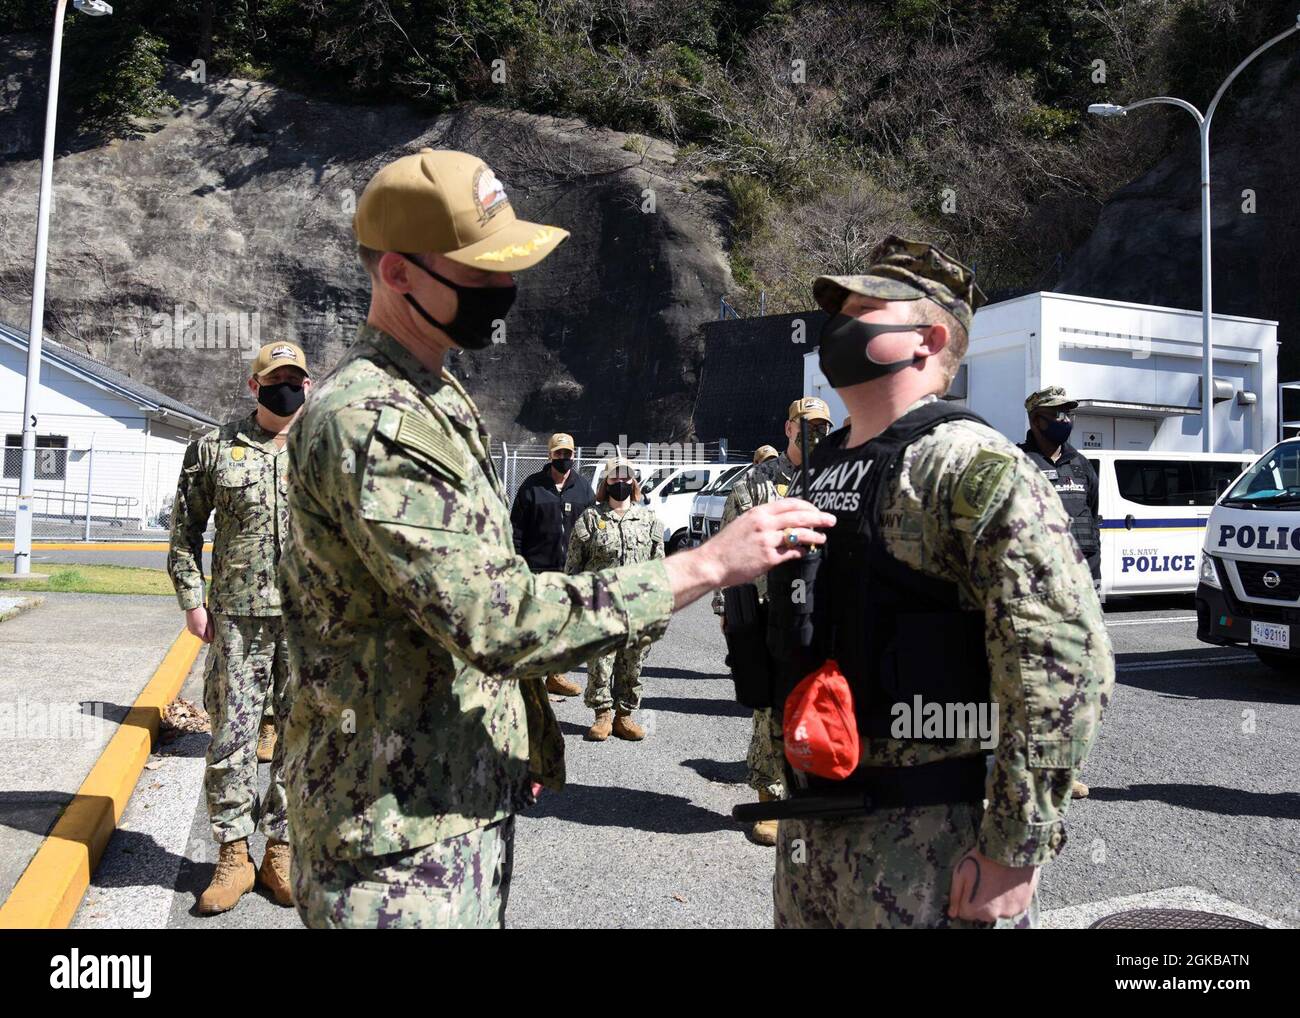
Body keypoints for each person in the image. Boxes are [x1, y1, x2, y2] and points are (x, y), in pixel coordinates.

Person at [277, 148, 834, 929]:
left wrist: (521, 737)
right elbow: (496, 620)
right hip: (392, 840)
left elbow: (450, 600)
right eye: (480, 272)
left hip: (443, 798)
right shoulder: (374, 421)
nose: (504, 289)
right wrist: (706, 564)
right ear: (398, 274)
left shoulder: (430, 388)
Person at [766, 235, 1113, 928]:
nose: (839, 330)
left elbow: (1065, 663)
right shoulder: (824, 463)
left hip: (927, 850)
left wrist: (1016, 850)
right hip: (816, 833)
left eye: (864, 313)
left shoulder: (969, 468)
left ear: (926, 339)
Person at [166, 341, 312, 914]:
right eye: (276, 378)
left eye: (296, 379)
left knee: (299, 740)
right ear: (255, 386)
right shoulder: (214, 448)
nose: (288, 387)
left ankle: (280, 850)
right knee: (232, 737)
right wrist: (191, 600)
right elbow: (184, 532)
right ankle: (232, 854)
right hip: (235, 619)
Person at [714, 397, 832, 846]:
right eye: (807, 425)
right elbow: (729, 549)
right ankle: (769, 795)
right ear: (788, 428)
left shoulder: (833, 480)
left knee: (819, 697)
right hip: (769, 611)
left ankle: (811, 787)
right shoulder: (757, 484)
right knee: (769, 705)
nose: (815, 433)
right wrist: (729, 611)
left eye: (822, 426)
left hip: (822, 609)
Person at [1017, 386, 1102, 800]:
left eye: (1070, 412)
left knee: (1076, 688)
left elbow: (1093, 525)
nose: (1066, 420)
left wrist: (1096, 584)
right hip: (1036, 596)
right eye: (1058, 413)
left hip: (1080, 595)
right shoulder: (1019, 464)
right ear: (1036, 419)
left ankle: (1065, 771)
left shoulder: (1081, 466)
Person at [565, 456, 665, 741]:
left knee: (632, 664)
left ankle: (625, 716)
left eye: (625, 479)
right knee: (600, 662)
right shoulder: (591, 518)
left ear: (632, 483)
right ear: (605, 483)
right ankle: (602, 715)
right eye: (614, 479)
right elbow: (574, 565)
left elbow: (659, 566)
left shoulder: (647, 519)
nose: (620, 483)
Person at [510, 431, 596, 697]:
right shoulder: (531, 486)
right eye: (558, 453)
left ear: (573, 455)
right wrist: (518, 564)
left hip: (571, 570)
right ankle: (531, 681)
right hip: (537, 568)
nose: (563, 458)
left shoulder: (583, 488)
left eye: (567, 453)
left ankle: (555, 676)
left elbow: (593, 530)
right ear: (550, 455)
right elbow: (516, 529)